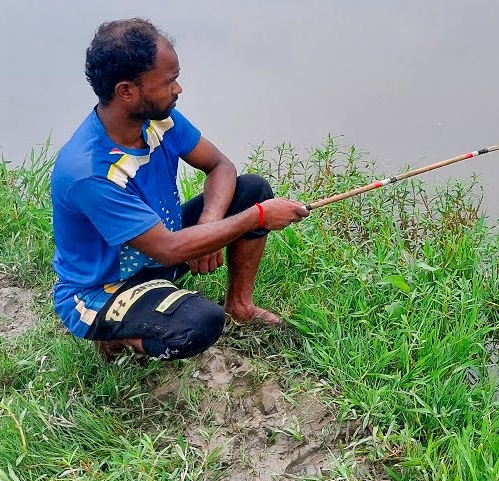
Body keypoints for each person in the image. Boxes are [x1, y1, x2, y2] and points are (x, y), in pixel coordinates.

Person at [51, 19, 309, 361]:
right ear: (126, 91)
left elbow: (221, 167)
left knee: (253, 189)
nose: (178, 89)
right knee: (199, 323)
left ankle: (240, 305)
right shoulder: (90, 172)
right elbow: (170, 250)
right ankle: (118, 336)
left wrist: (208, 225)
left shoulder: (158, 118)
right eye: (168, 81)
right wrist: (256, 218)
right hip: (106, 288)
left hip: (159, 249)